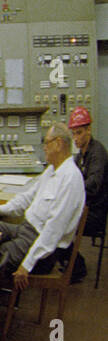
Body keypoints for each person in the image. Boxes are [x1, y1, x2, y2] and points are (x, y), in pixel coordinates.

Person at [0, 122, 84, 291]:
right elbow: (28, 196)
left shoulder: (70, 179)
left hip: (41, 250)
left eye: (46, 142)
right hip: (26, 230)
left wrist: (27, 264)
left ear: (58, 143)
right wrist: (1, 209)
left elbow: (54, 229)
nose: (44, 148)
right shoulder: (52, 170)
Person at [69, 106, 107, 283]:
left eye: (79, 133)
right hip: (83, 208)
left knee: (60, 223)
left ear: (89, 131)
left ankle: (77, 266)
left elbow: (92, 186)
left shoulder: (97, 153)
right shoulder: (81, 155)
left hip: (94, 214)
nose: (76, 138)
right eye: (73, 134)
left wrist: (70, 193)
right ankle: (71, 261)